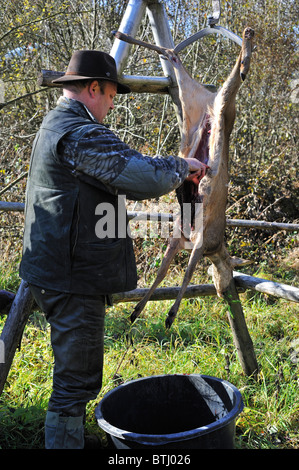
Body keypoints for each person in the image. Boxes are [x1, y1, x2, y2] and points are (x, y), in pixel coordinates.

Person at [19, 50, 208, 449]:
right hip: (73, 278)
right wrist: (181, 166)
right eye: (109, 93)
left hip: (54, 269)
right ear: (92, 88)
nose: (113, 101)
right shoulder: (80, 132)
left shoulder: (56, 124)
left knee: (75, 379)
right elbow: (139, 175)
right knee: (74, 386)